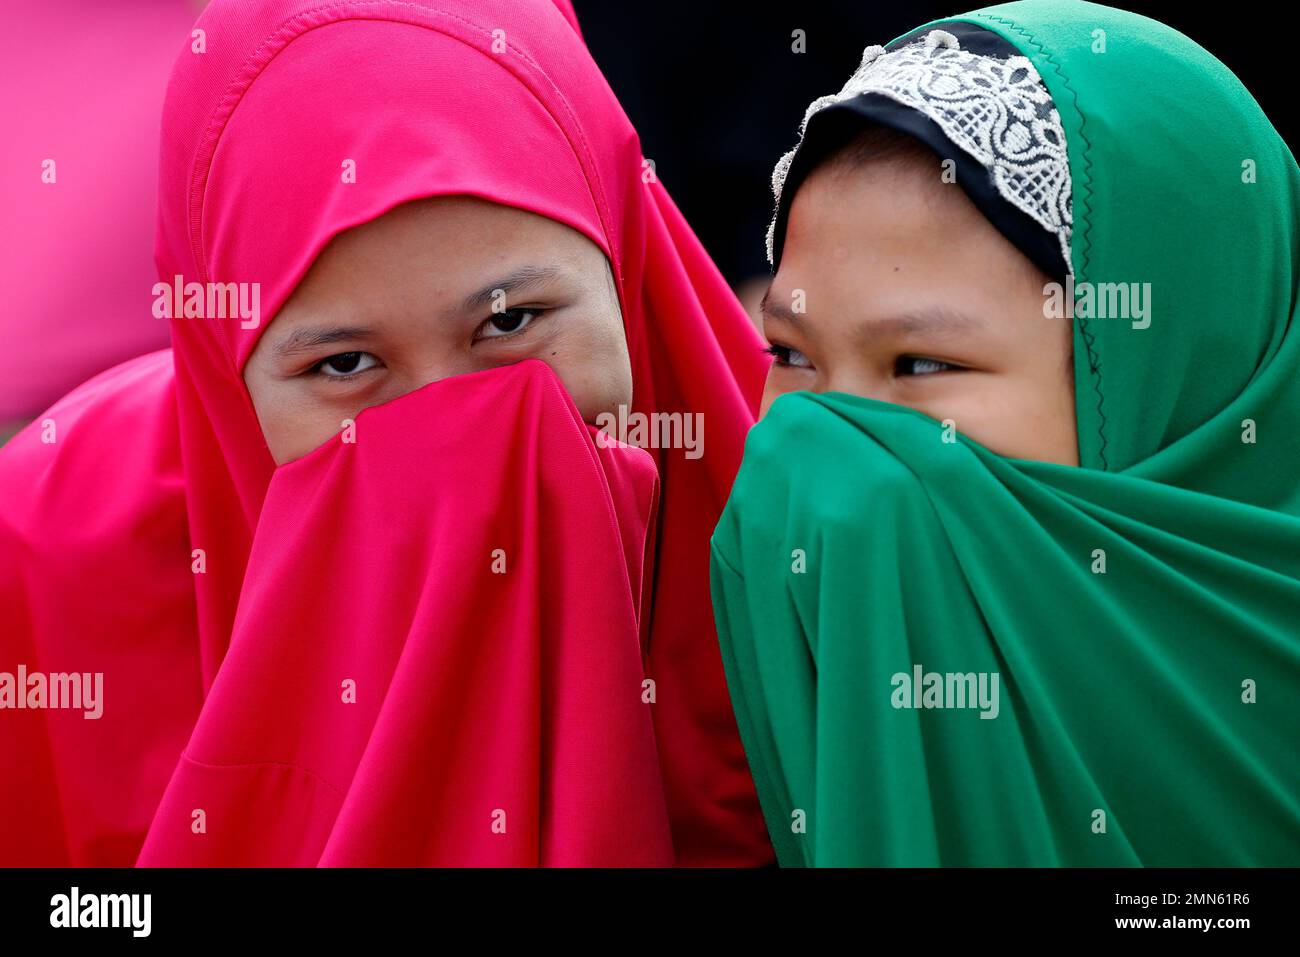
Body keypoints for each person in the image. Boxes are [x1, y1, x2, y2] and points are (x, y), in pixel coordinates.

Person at [0, 0, 773, 867]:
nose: (455, 431)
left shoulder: (799, 566)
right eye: (343, 366)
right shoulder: (48, 564)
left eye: (511, 320)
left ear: (626, 266)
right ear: (226, 374)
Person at [712, 0, 1300, 865]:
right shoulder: (717, 763)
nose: (821, 440)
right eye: (790, 355)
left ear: (1176, 389)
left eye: (918, 365)